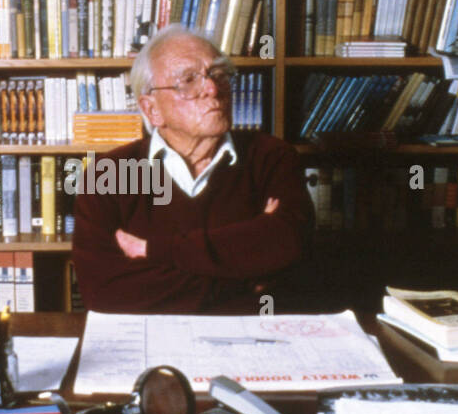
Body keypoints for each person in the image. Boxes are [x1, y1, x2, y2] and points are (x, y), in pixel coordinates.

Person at [72, 25, 313, 314]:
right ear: (152, 110)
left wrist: (157, 252)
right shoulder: (108, 174)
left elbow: (288, 250)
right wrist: (245, 279)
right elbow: (106, 294)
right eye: (188, 80)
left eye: (219, 75)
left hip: (249, 342)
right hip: (148, 344)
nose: (212, 89)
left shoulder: (272, 157)